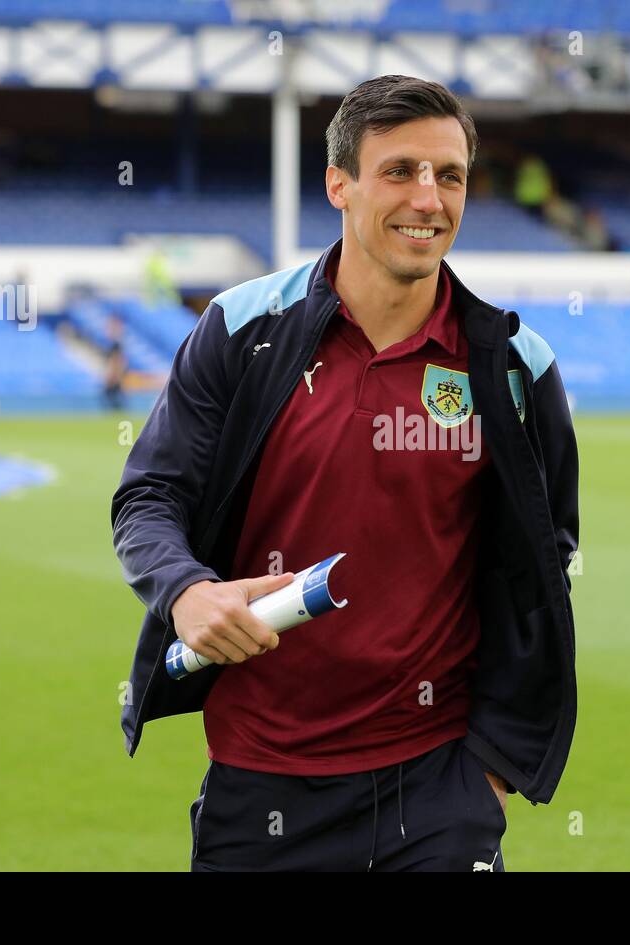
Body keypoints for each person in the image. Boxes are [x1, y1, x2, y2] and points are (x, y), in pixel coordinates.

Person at [111, 75, 580, 872]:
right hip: (260, 779)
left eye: (450, 175)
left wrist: (490, 772)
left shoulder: (513, 364)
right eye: (399, 171)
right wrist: (187, 592)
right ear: (339, 183)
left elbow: (546, 555)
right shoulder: (240, 329)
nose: (428, 199)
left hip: (440, 786)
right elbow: (149, 496)